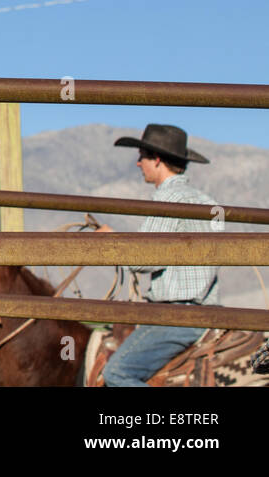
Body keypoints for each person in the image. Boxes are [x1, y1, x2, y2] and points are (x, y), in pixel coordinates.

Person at [95, 124, 219, 387]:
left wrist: (112, 240)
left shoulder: (168, 199)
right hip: (208, 312)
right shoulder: (207, 201)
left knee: (116, 374)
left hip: (177, 317)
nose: (138, 163)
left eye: (142, 156)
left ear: (158, 160)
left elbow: (145, 259)